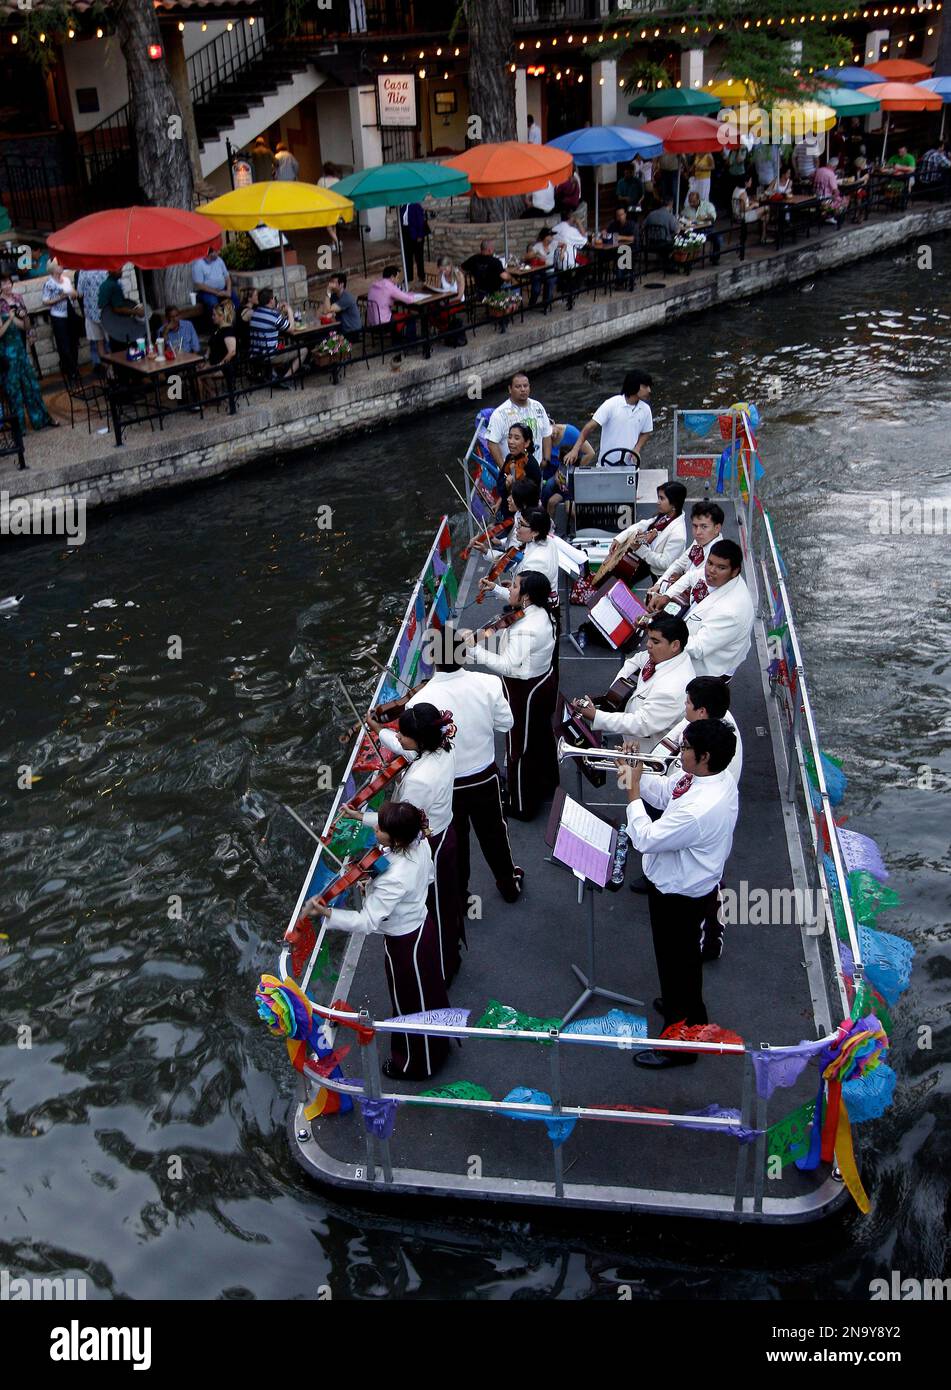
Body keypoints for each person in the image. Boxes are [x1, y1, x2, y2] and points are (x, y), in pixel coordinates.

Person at [303, 801, 449, 1081]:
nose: (376, 831)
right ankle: (437, 1046)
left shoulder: (393, 877)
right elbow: (428, 877)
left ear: (395, 838)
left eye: (380, 828)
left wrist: (327, 912)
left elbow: (367, 922)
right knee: (428, 992)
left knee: (410, 1002)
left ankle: (417, 1064)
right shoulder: (420, 843)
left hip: (406, 945)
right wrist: (371, 885)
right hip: (422, 928)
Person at [622, 719, 740, 1062]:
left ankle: (680, 1045)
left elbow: (644, 838)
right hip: (679, 885)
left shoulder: (699, 808)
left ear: (704, 756)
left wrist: (631, 788)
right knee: (679, 963)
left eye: (686, 748)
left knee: (678, 963)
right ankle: (685, 1011)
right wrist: (635, 773)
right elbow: (667, 792)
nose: (680, 752)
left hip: (680, 894)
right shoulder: (707, 778)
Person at [406, 625, 522, 904]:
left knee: (457, 839)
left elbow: (413, 752)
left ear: (432, 657)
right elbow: (507, 723)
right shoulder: (488, 684)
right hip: (484, 776)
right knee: (495, 832)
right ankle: (508, 884)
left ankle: (460, 895)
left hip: (448, 782)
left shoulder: (419, 700)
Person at [354, 703, 462, 985]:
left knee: (435, 906)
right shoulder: (443, 746)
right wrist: (379, 731)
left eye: (403, 734)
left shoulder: (419, 781)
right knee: (447, 900)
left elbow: (399, 822)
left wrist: (360, 816)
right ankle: (449, 956)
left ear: (421, 739)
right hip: (446, 831)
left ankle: (444, 967)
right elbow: (403, 746)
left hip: (431, 842)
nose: (398, 737)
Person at [463, 569, 558, 821]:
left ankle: (521, 804)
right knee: (541, 735)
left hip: (524, 690)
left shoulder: (526, 628)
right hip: (541, 681)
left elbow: (508, 665)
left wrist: (474, 651)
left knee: (519, 745)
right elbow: (515, 599)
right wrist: (496, 589)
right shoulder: (538, 610)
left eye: (515, 586)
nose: (511, 590)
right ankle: (548, 781)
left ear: (526, 596)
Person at [574, 613, 696, 753]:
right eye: (649, 638)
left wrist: (596, 716)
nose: (648, 645)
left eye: (655, 642)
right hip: (634, 741)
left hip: (647, 753)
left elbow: (641, 724)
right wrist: (617, 692)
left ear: (675, 645)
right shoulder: (665, 656)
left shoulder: (673, 688)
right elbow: (635, 661)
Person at [663, 538, 755, 677]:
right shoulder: (718, 577)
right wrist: (667, 596)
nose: (711, 571)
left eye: (721, 567)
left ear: (735, 571)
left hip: (707, 671)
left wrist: (663, 637)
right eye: (710, 563)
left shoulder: (731, 612)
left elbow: (698, 648)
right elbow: (690, 576)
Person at [564, 369, 653, 469]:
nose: (649, 390)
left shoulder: (645, 410)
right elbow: (590, 427)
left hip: (630, 467)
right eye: (645, 387)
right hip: (605, 466)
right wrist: (575, 450)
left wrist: (637, 448)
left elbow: (646, 432)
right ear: (634, 385)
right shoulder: (612, 404)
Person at [647, 499, 725, 603]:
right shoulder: (701, 541)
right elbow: (679, 564)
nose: (698, 532)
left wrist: (667, 592)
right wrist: (659, 583)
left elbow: (693, 582)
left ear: (717, 528)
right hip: (680, 591)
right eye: (695, 526)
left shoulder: (717, 556)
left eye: (704, 527)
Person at [610, 479, 688, 583]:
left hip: (664, 580)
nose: (658, 502)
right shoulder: (665, 517)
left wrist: (640, 549)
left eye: (662, 498)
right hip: (653, 570)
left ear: (674, 503)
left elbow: (665, 563)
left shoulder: (678, 534)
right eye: (658, 498)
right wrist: (619, 539)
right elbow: (643, 524)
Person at [0, 290, 55, 433]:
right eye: (3, 283)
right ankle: (19, 427)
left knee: (31, 386)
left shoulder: (16, 299)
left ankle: (40, 420)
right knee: (14, 391)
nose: (6, 285)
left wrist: (24, 318)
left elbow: (25, 326)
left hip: (20, 352)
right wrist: (10, 319)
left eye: (8, 282)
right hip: (7, 355)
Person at [481, 506, 560, 597]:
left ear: (535, 532)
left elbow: (522, 598)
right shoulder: (546, 540)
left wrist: (495, 588)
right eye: (518, 523)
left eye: (521, 524)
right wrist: (515, 584)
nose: (516, 529)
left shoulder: (537, 561)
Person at [485, 371, 553, 474]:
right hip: (513, 474)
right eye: (518, 386)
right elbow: (492, 443)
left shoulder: (538, 407)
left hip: (536, 469)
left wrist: (546, 460)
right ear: (510, 389)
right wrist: (505, 470)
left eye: (525, 386)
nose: (523, 389)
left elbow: (546, 434)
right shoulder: (500, 414)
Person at [541, 420, 595, 517]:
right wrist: (557, 475)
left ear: (553, 424)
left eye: (551, 431)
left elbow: (590, 453)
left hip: (569, 488)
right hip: (560, 484)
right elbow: (559, 469)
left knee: (569, 508)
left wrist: (575, 469)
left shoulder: (570, 433)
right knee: (549, 497)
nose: (552, 436)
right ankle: (549, 525)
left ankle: (580, 526)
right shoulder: (562, 464)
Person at [41, 259, 80, 377]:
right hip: (58, 316)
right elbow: (45, 301)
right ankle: (71, 370)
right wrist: (59, 298)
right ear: (53, 268)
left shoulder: (67, 280)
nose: (62, 266)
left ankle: (73, 366)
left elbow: (74, 293)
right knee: (64, 344)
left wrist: (74, 294)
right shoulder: (49, 284)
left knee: (74, 341)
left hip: (70, 313)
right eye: (59, 264)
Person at [366, 265, 418, 347]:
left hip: (372, 322)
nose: (398, 280)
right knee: (411, 317)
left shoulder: (374, 285)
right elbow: (409, 300)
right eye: (397, 278)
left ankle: (397, 341)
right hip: (384, 323)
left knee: (395, 313)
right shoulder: (389, 286)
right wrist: (413, 294)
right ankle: (412, 344)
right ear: (392, 277)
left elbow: (386, 300)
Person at [198, 301, 238, 399]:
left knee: (198, 376)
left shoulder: (228, 331)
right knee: (196, 370)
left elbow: (232, 352)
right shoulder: (217, 330)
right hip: (214, 363)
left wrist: (219, 365)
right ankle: (213, 394)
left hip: (225, 367)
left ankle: (203, 402)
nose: (212, 317)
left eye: (214, 315)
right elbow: (210, 348)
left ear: (221, 316)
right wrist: (205, 360)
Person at [98, 268, 145, 348]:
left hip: (108, 323)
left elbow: (101, 305)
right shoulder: (114, 286)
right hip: (117, 323)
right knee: (121, 349)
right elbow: (118, 309)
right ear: (111, 271)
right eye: (119, 270)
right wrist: (136, 312)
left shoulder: (104, 284)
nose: (121, 272)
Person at [75, 267, 109, 370]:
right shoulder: (106, 267)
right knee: (111, 342)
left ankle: (106, 368)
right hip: (107, 312)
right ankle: (113, 369)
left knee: (99, 342)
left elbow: (79, 293)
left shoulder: (83, 271)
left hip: (91, 312)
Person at [192, 246, 239, 317]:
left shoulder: (219, 260)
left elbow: (227, 277)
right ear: (210, 253)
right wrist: (217, 292)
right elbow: (199, 285)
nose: (219, 252)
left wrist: (228, 291)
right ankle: (216, 324)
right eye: (216, 251)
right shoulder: (199, 264)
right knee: (213, 303)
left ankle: (234, 321)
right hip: (207, 292)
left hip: (223, 289)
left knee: (235, 299)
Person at [430, 255, 467, 348]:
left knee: (443, 311)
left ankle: (444, 331)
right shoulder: (441, 274)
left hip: (457, 300)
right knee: (430, 309)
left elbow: (460, 295)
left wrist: (447, 301)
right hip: (445, 299)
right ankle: (442, 329)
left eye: (445, 269)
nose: (444, 272)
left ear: (450, 266)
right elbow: (438, 290)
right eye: (441, 270)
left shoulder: (459, 275)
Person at [680, 190, 721, 264]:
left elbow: (713, 217)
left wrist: (704, 217)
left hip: (707, 229)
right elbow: (681, 216)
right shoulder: (687, 208)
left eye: (693, 201)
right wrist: (684, 220)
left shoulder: (707, 205)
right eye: (690, 202)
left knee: (718, 238)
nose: (691, 204)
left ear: (698, 199)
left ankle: (715, 258)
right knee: (684, 237)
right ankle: (690, 259)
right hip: (694, 231)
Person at [320, 272, 362, 342]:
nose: (331, 285)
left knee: (323, 339)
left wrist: (328, 291)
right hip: (340, 330)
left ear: (341, 284)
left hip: (352, 332)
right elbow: (324, 311)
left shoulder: (347, 298)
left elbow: (328, 310)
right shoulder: (334, 296)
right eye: (330, 283)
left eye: (333, 283)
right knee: (316, 336)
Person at [732, 175, 768, 245]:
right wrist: (753, 205)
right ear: (746, 182)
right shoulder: (743, 193)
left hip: (736, 214)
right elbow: (743, 209)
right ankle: (763, 236)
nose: (751, 182)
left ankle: (763, 235)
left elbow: (742, 203)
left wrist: (751, 202)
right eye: (750, 181)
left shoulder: (737, 189)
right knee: (766, 209)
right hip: (743, 216)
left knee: (763, 213)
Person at [527, 227, 557, 308]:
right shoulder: (538, 246)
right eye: (550, 235)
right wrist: (536, 255)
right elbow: (527, 256)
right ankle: (532, 302)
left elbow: (564, 244)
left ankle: (546, 305)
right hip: (539, 271)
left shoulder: (554, 244)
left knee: (550, 280)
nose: (552, 237)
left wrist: (562, 252)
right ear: (546, 237)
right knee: (536, 289)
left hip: (550, 270)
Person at [317, 162, 344, 252]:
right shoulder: (337, 180)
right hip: (336, 205)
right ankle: (333, 244)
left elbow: (318, 193)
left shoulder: (321, 180)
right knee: (334, 225)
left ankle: (337, 243)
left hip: (327, 206)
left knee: (328, 227)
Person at [399, 202, 428, 282]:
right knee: (407, 257)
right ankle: (409, 276)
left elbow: (420, 221)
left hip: (415, 234)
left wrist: (420, 235)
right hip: (406, 233)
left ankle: (421, 276)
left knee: (419, 257)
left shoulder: (416, 205)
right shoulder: (403, 206)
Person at [814, 156, 848, 223]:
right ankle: (831, 216)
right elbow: (836, 191)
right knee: (844, 200)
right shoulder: (831, 174)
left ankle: (825, 214)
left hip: (816, 197)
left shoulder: (819, 170)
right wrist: (837, 196)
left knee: (837, 198)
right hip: (825, 200)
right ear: (834, 166)